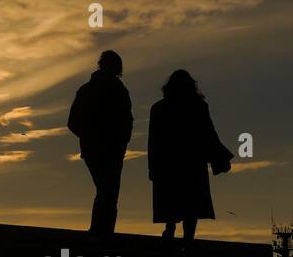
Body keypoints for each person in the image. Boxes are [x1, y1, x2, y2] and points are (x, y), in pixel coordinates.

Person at [146, 70, 234, 242]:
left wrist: (152, 167)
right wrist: (221, 159)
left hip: (168, 163)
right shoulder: (198, 107)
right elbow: (209, 135)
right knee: (191, 203)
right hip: (192, 163)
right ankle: (188, 238)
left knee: (171, 198)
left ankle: (170, 230)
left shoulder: (159, 108)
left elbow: (153, 141)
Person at [67, 50, 133, 236]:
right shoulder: (118, 91)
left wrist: (88, 138)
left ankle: (100, 231)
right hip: (108, 148)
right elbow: (127, 121)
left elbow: (73, 122)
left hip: (101, 149)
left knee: (106, 190)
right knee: (108, 191)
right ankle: (102, 232)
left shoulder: (89, 90)